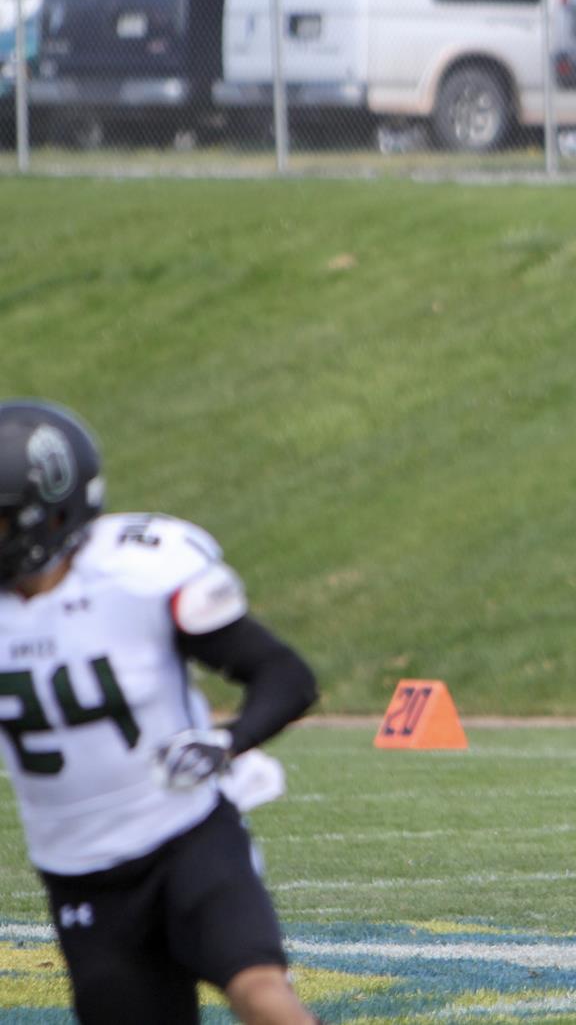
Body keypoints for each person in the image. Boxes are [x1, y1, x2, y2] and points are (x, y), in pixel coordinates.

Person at [0, 401, 321, 1025]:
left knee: (260, 990)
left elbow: (286, 676)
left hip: (185, 835)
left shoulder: (134, 574)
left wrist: (229, 742)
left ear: (49, 512)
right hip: (81, 873)